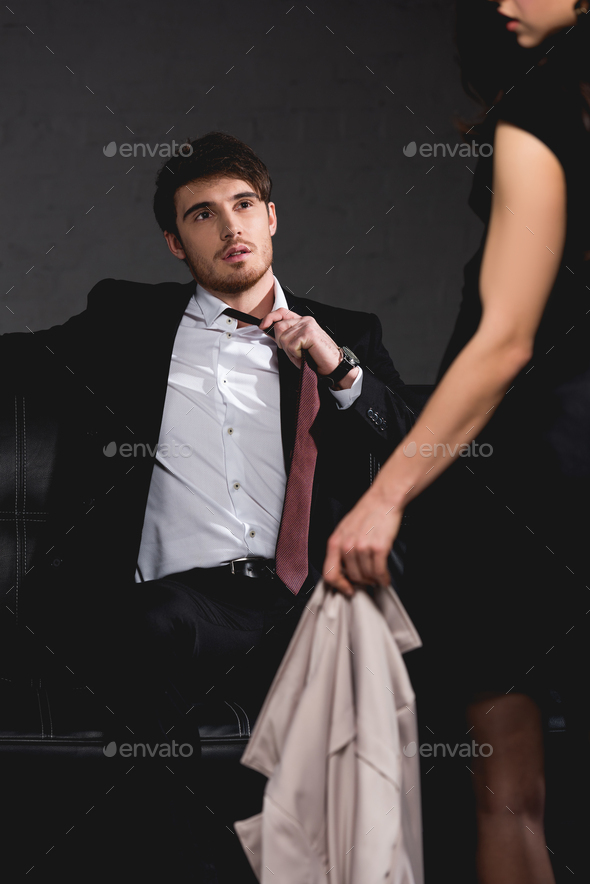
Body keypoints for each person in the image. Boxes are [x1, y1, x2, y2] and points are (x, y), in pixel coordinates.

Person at [1, 131, 423, 882]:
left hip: (303, 603)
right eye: (202, 215)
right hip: (185, 606)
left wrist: (338, 366)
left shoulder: (348, 334)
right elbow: (23, 354)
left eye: (243, 205)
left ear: (271, 217)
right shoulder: (128, 321)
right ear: (174, 242)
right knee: (146, 628)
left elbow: (412, 447)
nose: (230, 227)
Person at [323, 2, 590, 882]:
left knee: (509, 792)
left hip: (535, 471)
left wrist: (384, 496)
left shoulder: (537, 114)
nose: (504, 0)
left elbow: (507, 341)